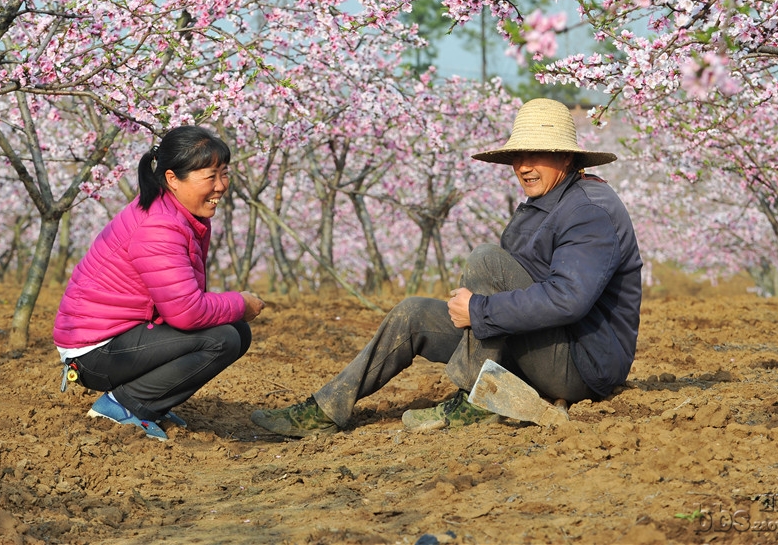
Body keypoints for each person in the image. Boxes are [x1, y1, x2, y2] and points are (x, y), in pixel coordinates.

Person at [251, 98, 642, 436]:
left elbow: (569, 299)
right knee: (413, 314)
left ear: (565, 156)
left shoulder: (589, 210)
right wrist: (481, 310)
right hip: (540, 345)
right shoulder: (545, 202)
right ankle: (325, 409)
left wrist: (479, 310)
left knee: (485, 259)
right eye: (517, 157)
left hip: (581, 366)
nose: (523, 167)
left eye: (535, 154)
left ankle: (477, 400)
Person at [54, 125, 265, 441]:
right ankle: (122, 406)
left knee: (235, 331)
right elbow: (187, 313)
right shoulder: (160, 226)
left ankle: (147, 404)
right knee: (223, 338)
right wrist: (241, 303)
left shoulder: (175, 213)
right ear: (172, 179)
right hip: (95, 352)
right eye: (211, 176)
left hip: (119, 337)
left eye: (225, 173)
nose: (221, 186)